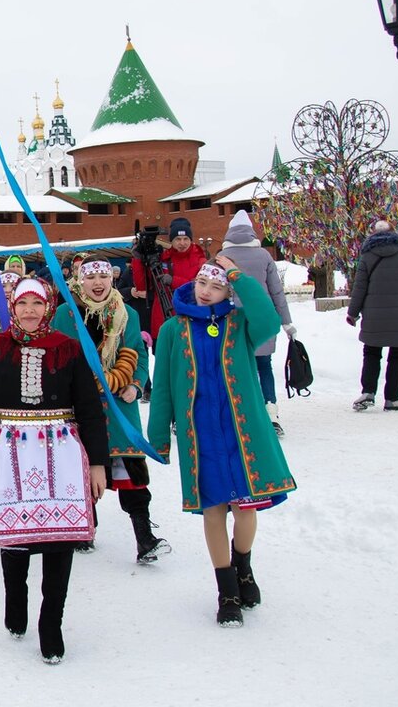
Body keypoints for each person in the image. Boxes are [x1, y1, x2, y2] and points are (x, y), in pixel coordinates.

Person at [0, 277, 109, 664]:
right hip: (9, 454)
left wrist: (97, 464)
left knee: (59, 542)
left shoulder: (69, 349)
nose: (29, 311)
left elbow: (91, 409)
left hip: (61, 456)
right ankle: (16, 598)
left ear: (48, 307)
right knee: (17, 538)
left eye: (36, 304)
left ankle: (51, 622)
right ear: (11, 306)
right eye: (21, 303)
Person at [147, 256, 296, 628]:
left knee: (246, 509)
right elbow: (163, 384)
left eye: (216, 286)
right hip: (200, 437)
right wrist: (158, 436)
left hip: (241, 434)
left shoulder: (240, 323)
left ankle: (242, 564)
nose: (206, 291)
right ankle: (226, 589)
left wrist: (238, 275)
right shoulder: (172, 329)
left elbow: (270, 320)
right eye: (202, 283)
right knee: (214, 510)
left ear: (228, 290)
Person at [52, 256, 170, 564]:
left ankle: (144, 538)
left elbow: (138, 356)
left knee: (131, 473)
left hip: (119, 404)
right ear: (80, 281)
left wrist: (135, 384)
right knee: (81, 467)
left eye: (104, 276)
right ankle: (84, 528)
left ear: (112, 279)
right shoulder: (65, 315)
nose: (98, 283)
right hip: (78, 406)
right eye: (91, 277)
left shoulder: (126, 313)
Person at [220, 210, 296, 435]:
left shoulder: (223, 256)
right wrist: (286, 322)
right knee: (264, 367)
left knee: (236, 368)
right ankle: (271, 413)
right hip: (261, 320)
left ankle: (239, 414)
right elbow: (277, 292)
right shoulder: (264, 256)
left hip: (232, 321)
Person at [346, 220, 398, 412]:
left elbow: (360, 287)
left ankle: (368, 391)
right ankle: (393, 398)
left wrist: (352, 313)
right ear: (394, 232)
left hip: (374, 314)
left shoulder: (367, 255)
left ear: (372, 234)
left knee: (371, 352)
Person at [131, 217, 207, 342]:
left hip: (191, 317)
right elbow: (142, 286)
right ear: (171, 240)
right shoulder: (163, 258)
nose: (182, 243)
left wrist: (173, 281)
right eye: (177, 239)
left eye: (185, 239)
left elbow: (200, 286)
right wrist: (138, 259)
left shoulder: (200, 259)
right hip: (163, 318)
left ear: (191, 239)